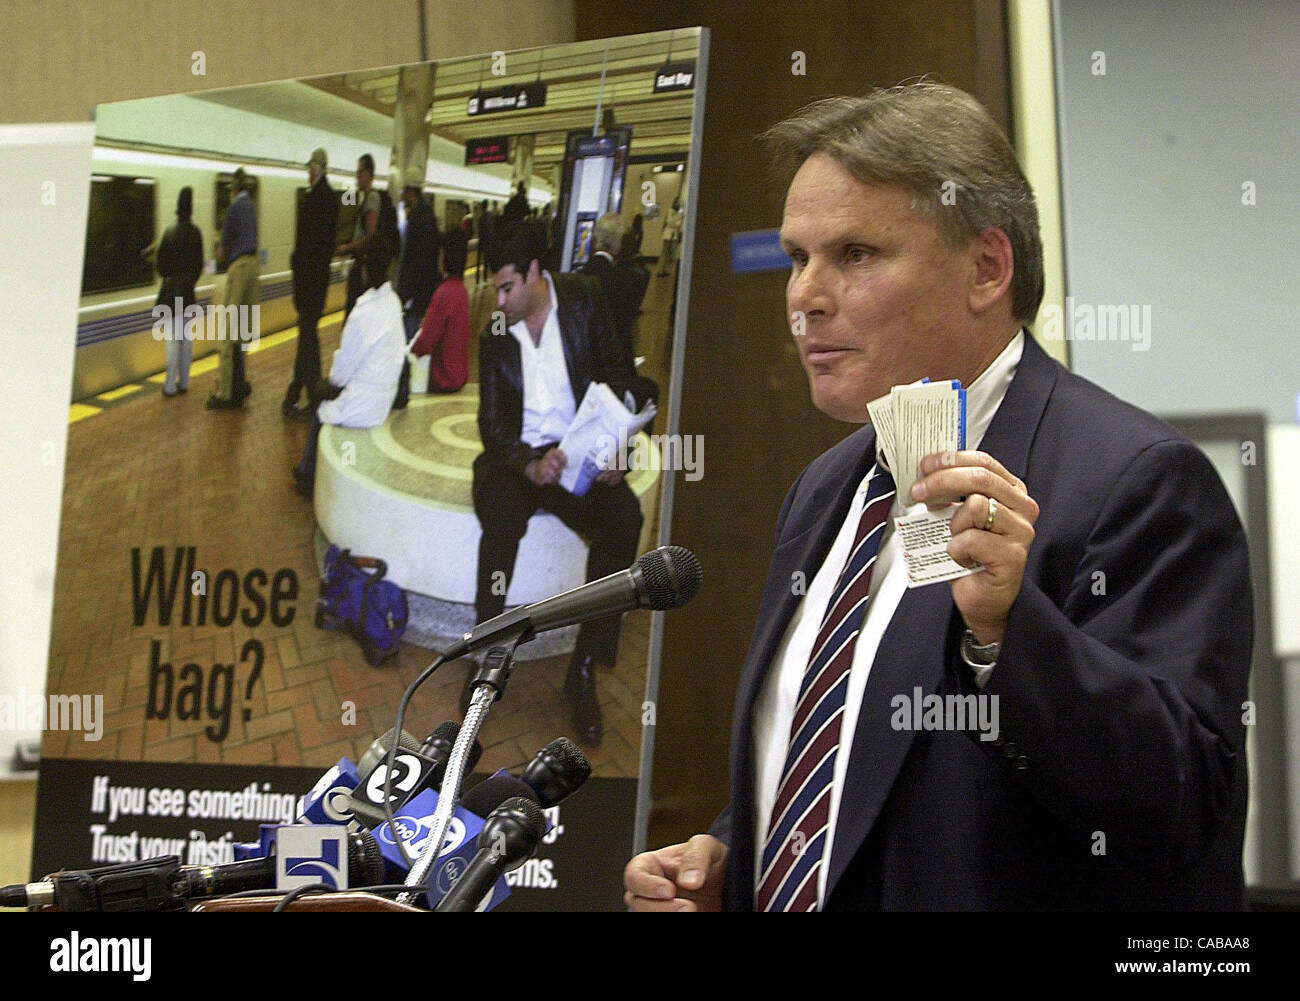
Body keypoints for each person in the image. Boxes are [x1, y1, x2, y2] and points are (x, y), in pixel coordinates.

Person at [625, 82, 1252, 911]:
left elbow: (1185, 809)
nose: (804, 296)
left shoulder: (1136, 479)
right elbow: (843, 754)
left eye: (854, 254)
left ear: (987, 267)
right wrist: (735, 857)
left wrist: (1007, 633)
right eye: (796, 257)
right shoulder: (825, 487)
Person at [474, 222, 649, 745]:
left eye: (507, 288)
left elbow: (621, 376)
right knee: (501, 518)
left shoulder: (585, 301)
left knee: (625, 521)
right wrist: (527, 463)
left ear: (534, 273)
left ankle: (586, 667)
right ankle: (488, 654)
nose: (499, 301)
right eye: (494, 290)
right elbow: (491, 426)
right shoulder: (497, 334)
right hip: (520, 461)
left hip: (579, 451)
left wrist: (615, 444)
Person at [293, 250, 406, 497]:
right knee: (329, 394)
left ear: (364, 271)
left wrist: (328, 384)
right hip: (385, 394)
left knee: (321, 407)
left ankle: (307, 474)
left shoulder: (362, 311)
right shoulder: (393, 301)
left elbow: (343, 369)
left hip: (363, 402)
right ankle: (307, 471)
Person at [284, 148, 339, 419]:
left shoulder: (318, 198)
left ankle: (314, 398)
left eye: (310, 168)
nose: (308, 172)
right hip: (316, 282)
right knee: (306, 337)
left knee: (309, 340)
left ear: (319, 168)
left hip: (309, 283)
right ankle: (293, 393)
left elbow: (309, 247)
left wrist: (297, 267)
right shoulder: (328, 197)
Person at [208, 168, 258, 410]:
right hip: (254, 267)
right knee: (243, 331)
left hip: (238, 268)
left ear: (234, 190)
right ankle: (241, 383)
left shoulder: (234, 208)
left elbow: (221, 251)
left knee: (227, 333)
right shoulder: (251, 207)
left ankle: (225, 393)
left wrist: (218, 250)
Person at [154, 186, 203, 397]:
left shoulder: (169, 231)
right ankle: (184, 382)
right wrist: (190, 282)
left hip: (170, 292)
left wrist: (171, 277)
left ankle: (170, 385)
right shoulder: (196, 232)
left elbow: (160, 266)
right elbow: (199, 265)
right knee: (186, 338)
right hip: (187, 292)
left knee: (172, 339)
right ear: (191, 209)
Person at [578, 213, 646, 360]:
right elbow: (623, 332)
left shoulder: (577, 278)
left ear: (594, 241)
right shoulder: (629, 281)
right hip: (612, 362)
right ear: (618, 247)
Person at [410, 227, 469, 393]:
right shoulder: (461, 290)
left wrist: (411, 352)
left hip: (442, 377)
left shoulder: (443, 293)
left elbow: (427, 341)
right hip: (459, 374)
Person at [336, 153, 381, 319]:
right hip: (361, 265)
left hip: (363, 267)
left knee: (354, 315)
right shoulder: (364, 198)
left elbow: (370, 235)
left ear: (369, 174)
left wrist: (347, 248)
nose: (357, 176)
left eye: (359, 172)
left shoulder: (372, 198)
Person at [656, 196, 684, 277]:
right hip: (668, 235)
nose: (678, 203)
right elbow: (670, 222)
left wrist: (677, 221)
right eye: (677, 202)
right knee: (664, 253)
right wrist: (677, 221)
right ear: (674, 202)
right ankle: (660, 270)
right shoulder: (670, 211)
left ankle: (665, 270)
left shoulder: (678, 213)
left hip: (673, 235)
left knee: (670, 255)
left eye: (679, 202)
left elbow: (678, 224)